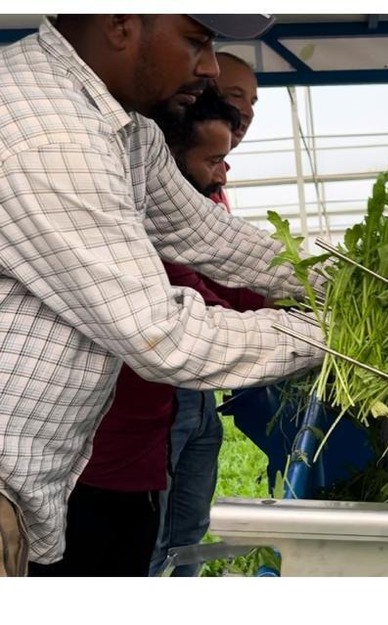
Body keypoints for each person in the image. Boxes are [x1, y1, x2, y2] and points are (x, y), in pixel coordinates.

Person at [0, 14, 326, 576]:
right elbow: (165, 336)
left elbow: (211, 236)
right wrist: (348, 335)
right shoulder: (49, 135)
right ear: (120, 23)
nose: (210, 68)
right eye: (197, 41)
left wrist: (355, 282)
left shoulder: (124, 127)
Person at [27, 87, 247, 577]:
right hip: (97, 458)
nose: (222, 172)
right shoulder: (111, 218)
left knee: (161, 535)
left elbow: (224, 261)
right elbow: (178, 316)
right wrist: (305, 334)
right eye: (213, 158)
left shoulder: (177, 205)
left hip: (142, 446)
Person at [149, 54, 265, 577]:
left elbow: (231, 272)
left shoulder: (210, 189)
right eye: (236, 96)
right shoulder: (156, 196)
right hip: (156, 391)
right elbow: (188, 292)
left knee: (187, 525)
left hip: (192, 391)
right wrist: (285, 326)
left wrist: (275, 300)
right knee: (154, 530)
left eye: (252, 103)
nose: (246, 113)